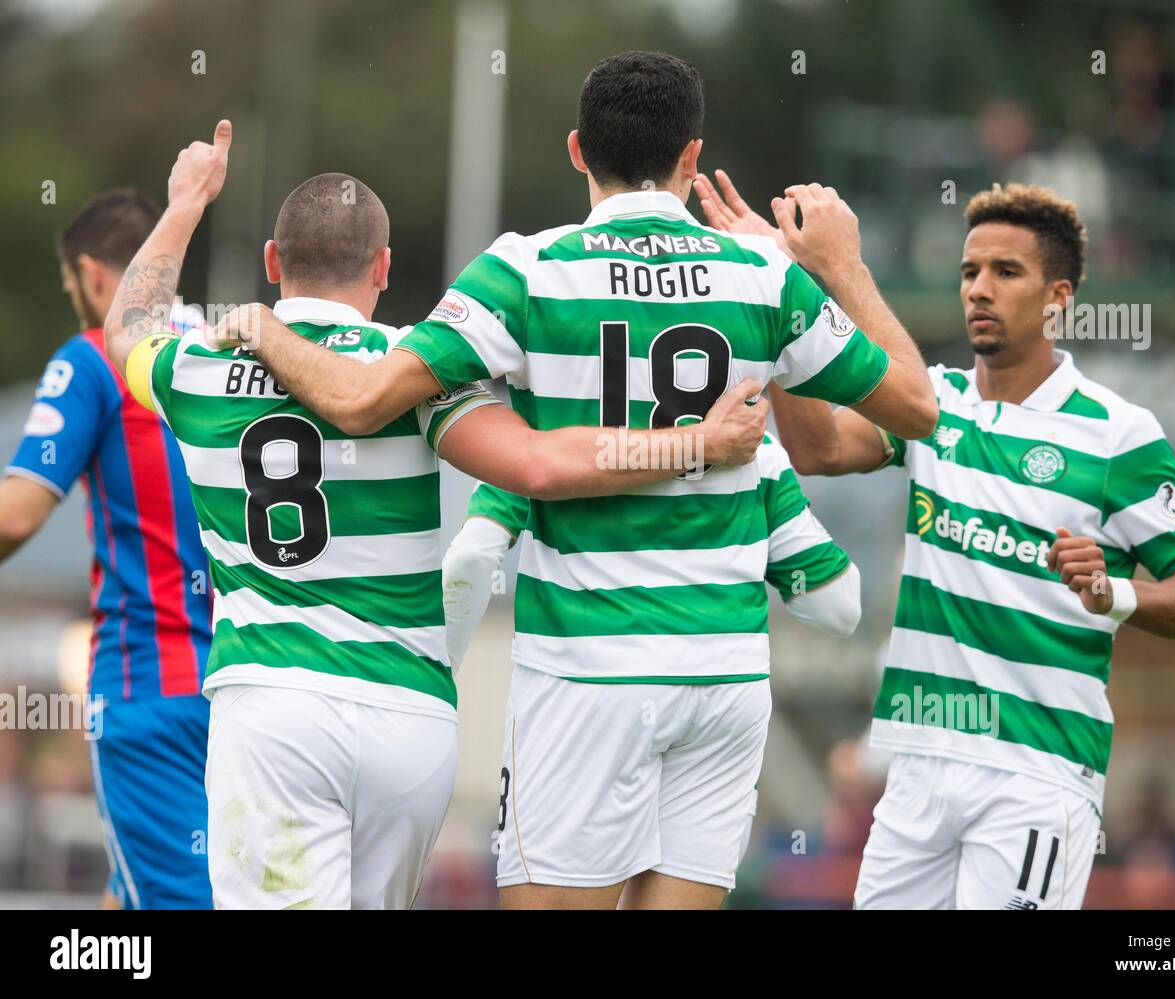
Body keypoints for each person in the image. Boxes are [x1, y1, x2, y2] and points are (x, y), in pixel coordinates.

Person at [209, 51, 937, 909]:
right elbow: (916, 408)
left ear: (576, 149)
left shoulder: (526, 267)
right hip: (726, 674)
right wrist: (837, 266)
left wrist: (259, 325)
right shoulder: (764, 273)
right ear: (692, 156)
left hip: (587, 668)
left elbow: (363, 400)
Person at [102, 122, 766, 909]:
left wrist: (186, 203)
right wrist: (691, 446)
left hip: (273, 707)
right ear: (383, 268)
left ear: (274, 263)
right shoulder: (419, 370)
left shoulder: (197, 366)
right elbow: (540, 465)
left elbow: (130, 326)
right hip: (409, 719)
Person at [696, 172, 1175, 909]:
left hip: (1035, 772)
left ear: (1059, 298)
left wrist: (1118, 593)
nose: (979, 288)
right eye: (970, 271)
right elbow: (817, 446)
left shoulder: (1119, 434)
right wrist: (781, 291)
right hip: (917, 763)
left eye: (1007, 271)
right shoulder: (936, 403)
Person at [0, 189, 213, 909]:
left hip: (146, 687)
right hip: (251, 682)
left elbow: (16, 517)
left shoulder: (91, 360)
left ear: (94, 275)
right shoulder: (222, 348)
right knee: (129, 893)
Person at [441, 432, 863, 673]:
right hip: (724, 689)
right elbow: (839, 608)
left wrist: (444, 674)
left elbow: (472, 558)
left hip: (580, 685)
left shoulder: (543, 435)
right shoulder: (756, 449)